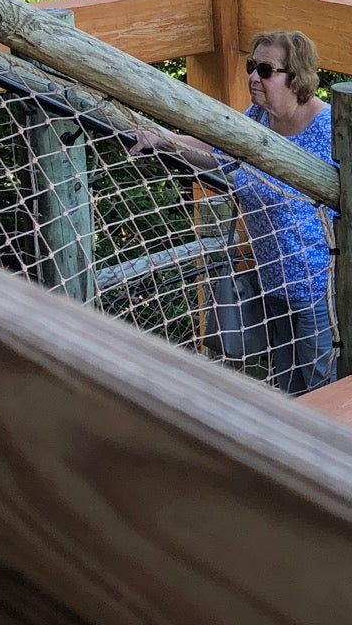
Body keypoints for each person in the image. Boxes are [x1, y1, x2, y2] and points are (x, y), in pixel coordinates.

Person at [133, 30, 337, 393]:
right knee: (289, 392)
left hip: (318, 289)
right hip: (271, 284)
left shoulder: (329, 126)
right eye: (250, 67)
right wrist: (165, 138)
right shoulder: (259, 117)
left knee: (327, 393)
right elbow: (217, 150)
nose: (253, 78)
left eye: (265, 70)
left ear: (297, 78)